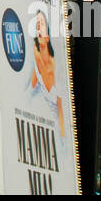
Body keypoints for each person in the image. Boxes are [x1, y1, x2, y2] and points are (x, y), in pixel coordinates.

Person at [28, 8, 66, 138]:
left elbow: (60, 110)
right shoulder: (35, 58)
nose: (38, 26)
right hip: (39, 125)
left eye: (42, 24)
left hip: (55, 129)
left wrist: (62, 137)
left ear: (48, 37)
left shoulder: (57, 68)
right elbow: (30, 90)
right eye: (37, 24)